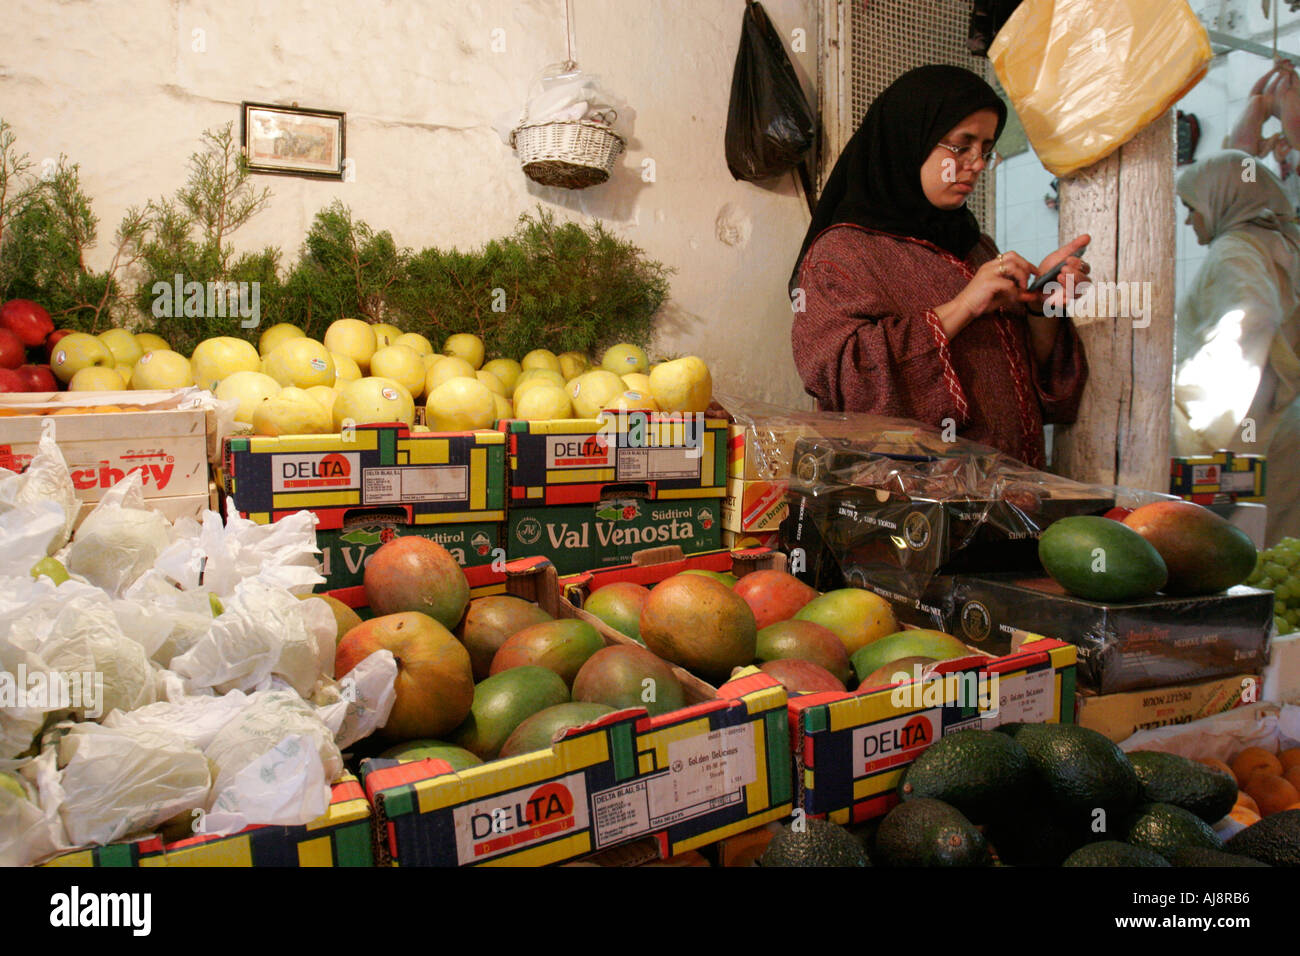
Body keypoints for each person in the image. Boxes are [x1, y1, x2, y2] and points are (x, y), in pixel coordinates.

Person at [789, 65, 1091, 469]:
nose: (977, 163)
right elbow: (845, 384)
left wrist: (1040, 309)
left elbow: (1021, 378)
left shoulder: (978, 246)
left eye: (985, 149)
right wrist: (963, 307)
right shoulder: (844, 253)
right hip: (910, 516)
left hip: (1011, 505)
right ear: (909, 139)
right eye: (961, 146)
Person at [1173, 151, 1300, 546]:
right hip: (1283, 428)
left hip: (1251, 438)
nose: (1189, 219)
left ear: (1219, 200)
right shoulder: (1282, 244)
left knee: (1242, 566)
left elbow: (1253, 317)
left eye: (1192, 207)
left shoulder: (1235, 248)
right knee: (1280, 561)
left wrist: (1194, 401)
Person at [1224, 60, 1300, 216]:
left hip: (1244, 155)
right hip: (1246, 155)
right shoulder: (1259, 100)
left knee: (1247, 169)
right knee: (1247, 167)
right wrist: (1277, 72)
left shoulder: (1264, 100)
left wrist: (1277, 71)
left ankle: (1249, 203)